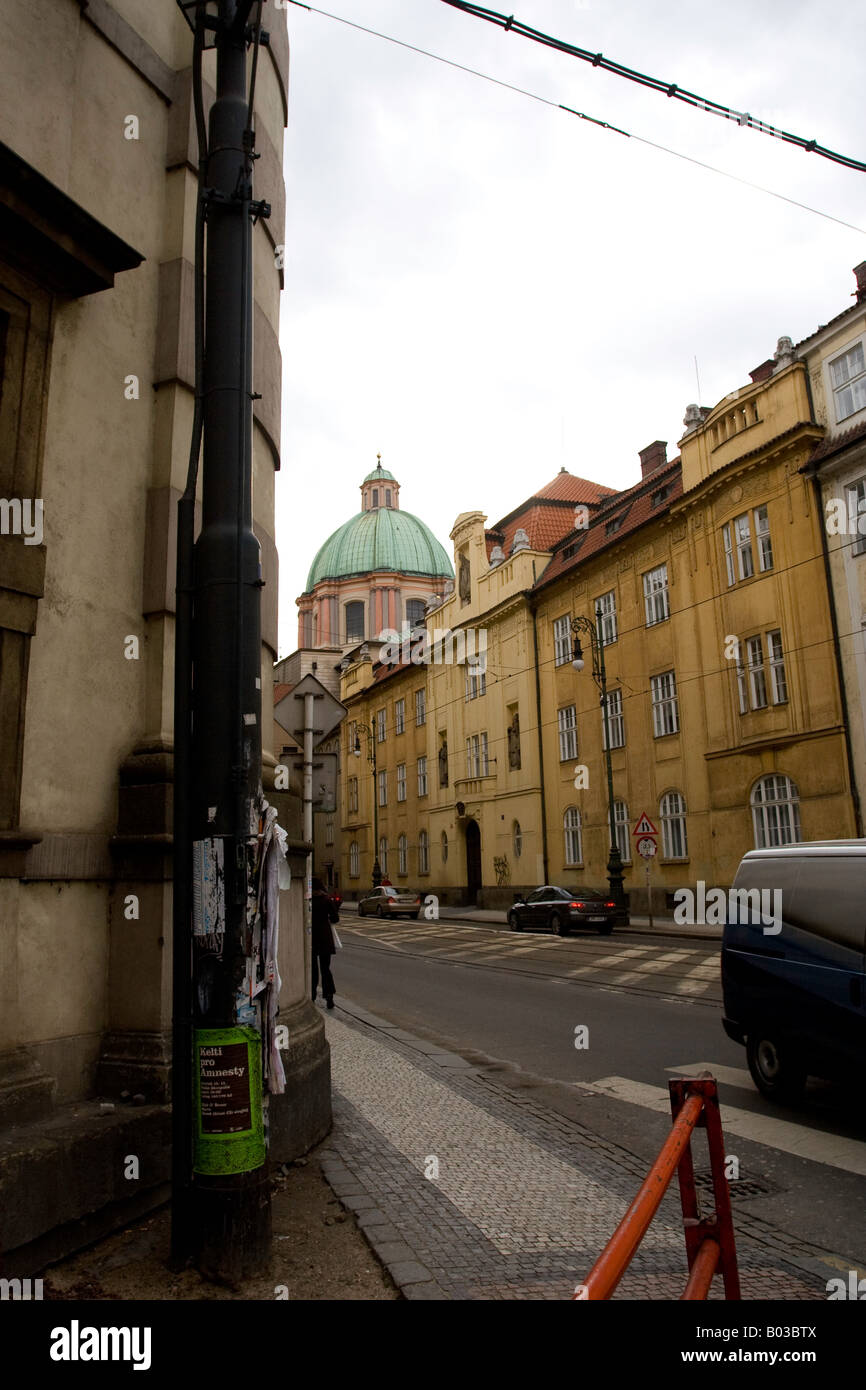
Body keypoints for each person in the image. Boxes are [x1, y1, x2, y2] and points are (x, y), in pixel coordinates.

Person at [311, 877, 339, 1009]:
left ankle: (311, 996)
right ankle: (329, 997)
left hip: (311, 938)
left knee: (313, 969)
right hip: (325, 938)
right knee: (325, 969)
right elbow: (335, 918)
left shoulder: (309, 901)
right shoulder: (327, 900)